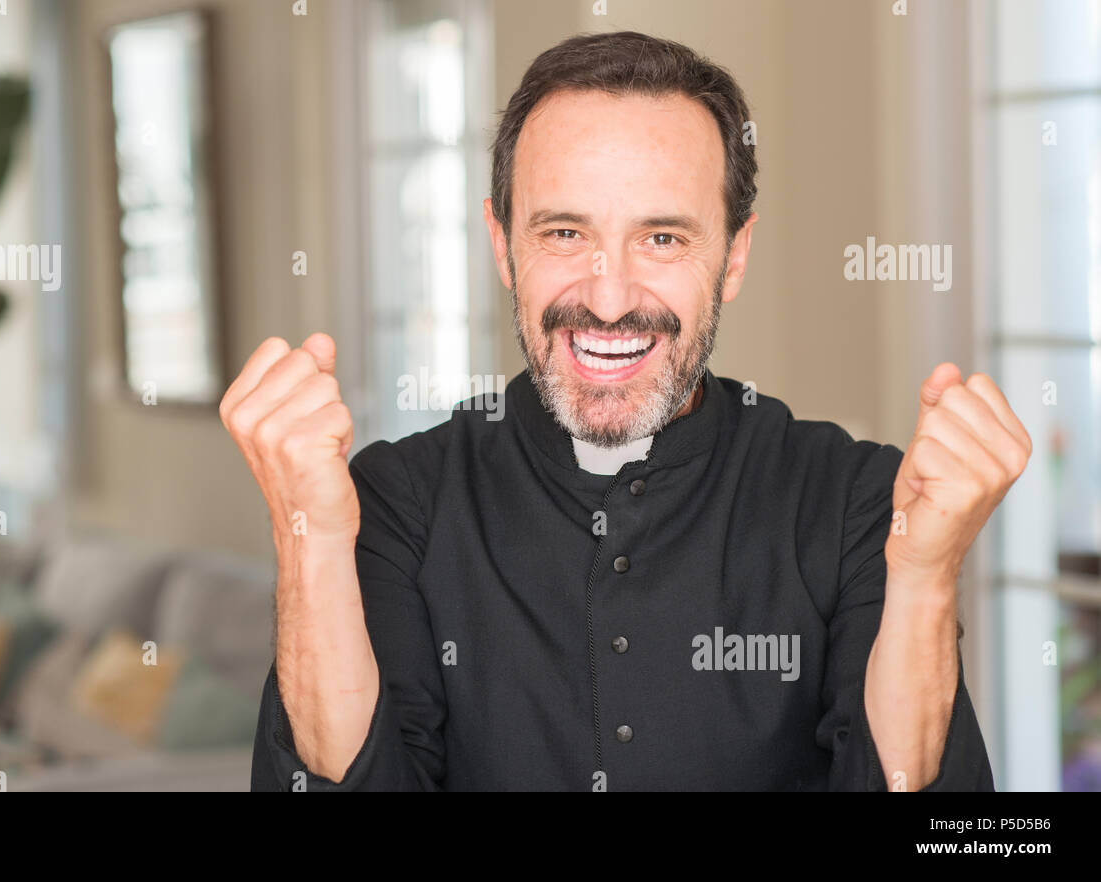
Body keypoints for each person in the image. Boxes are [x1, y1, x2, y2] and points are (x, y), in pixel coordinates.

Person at [220, 31, 1030, 791]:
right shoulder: (400, 501)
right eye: (566, 231)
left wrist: (924, 582)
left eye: (664, 239)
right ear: (503, 245)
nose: (608, 298)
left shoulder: (855, 500)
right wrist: (309, 543)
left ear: (734, 254)